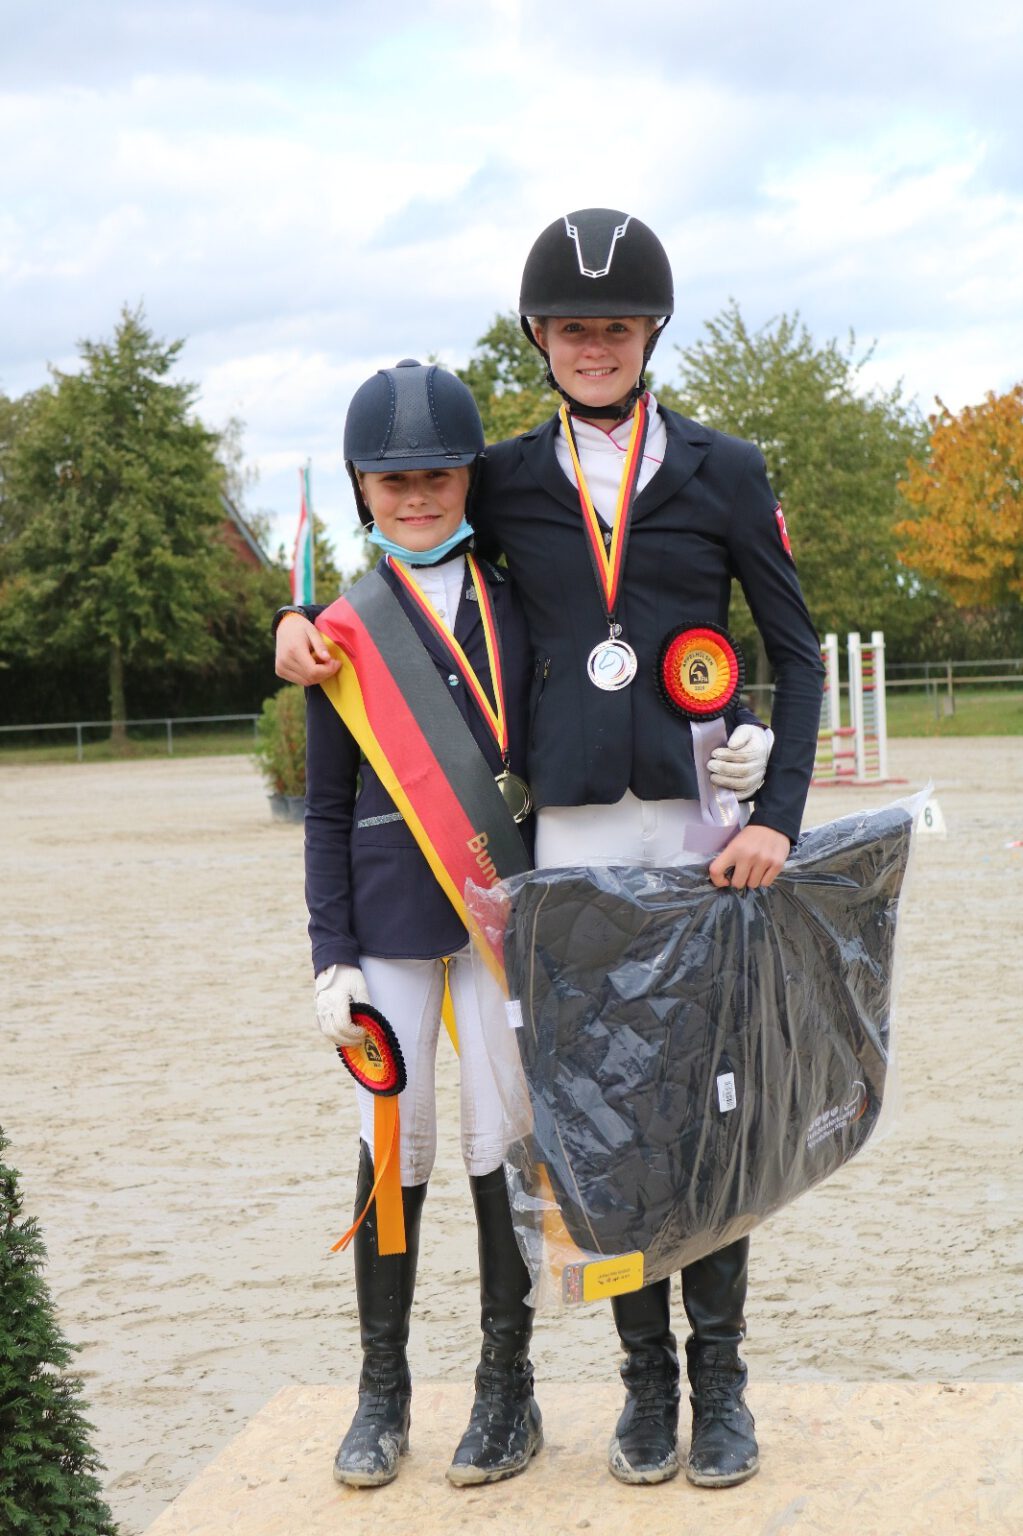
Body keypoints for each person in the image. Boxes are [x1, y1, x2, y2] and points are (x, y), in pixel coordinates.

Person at [276, 209, 824, 1491]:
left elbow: (795, 652)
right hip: (565, 847)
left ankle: (720, 1385)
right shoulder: (508, 476)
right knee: (601, 1122)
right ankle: (642, 1384)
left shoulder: (728, 470)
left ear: (650, 334)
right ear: (539, 336)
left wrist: (778, 807)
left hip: (697, 836)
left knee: (706, 1107)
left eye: (615, 326)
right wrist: (292, 624)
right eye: (572, 327)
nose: (593, 346)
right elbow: (405, 576)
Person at [306, 358, 542, 1490]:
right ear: (362, 486)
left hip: (500, 909)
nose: (415, 496)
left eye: (436, 475)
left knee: (502, 1135)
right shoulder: (340, 628)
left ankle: (507, 1387)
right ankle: (382, 1389)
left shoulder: (516, 602)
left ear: (468, 480)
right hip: (388, 922)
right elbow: (324, 806)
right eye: (392, 479)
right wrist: (329, 955)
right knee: (394, 1137)